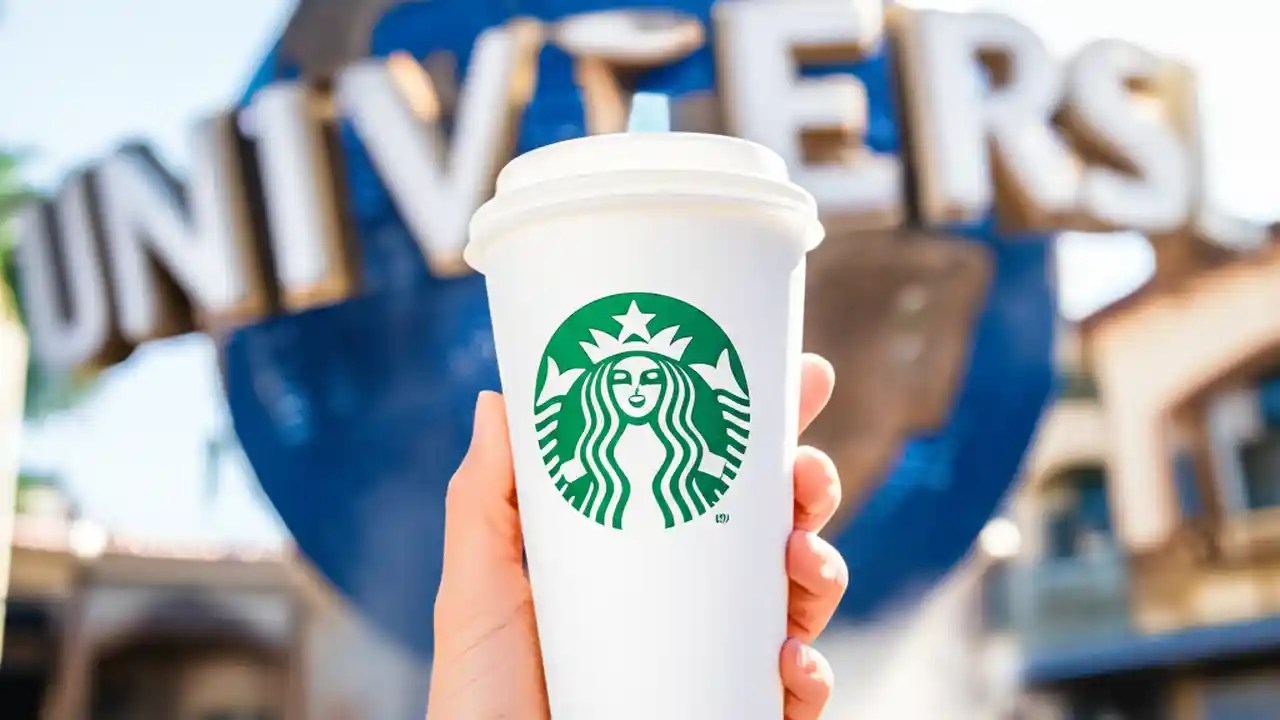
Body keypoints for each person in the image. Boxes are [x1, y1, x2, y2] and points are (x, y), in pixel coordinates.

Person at [428, 354, 849, 719]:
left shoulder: (692, 460)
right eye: (621, 379)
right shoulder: (587, 462)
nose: (635, 391)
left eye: (649, 379)